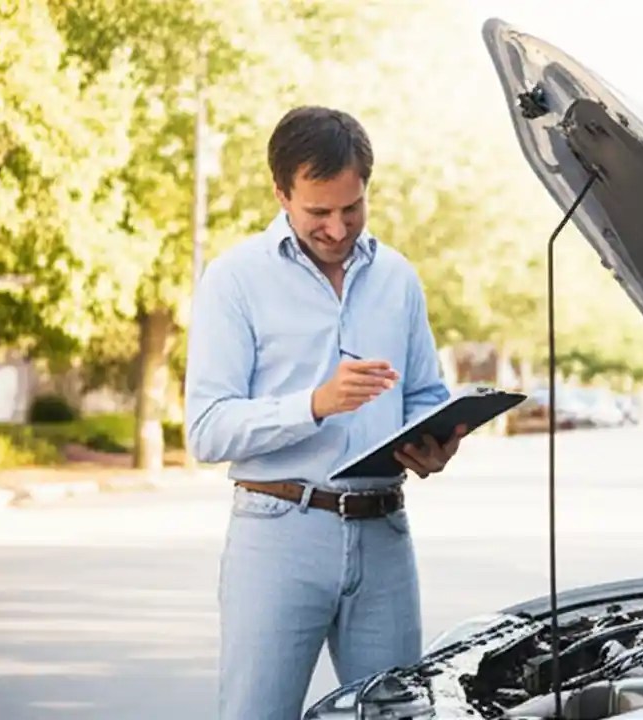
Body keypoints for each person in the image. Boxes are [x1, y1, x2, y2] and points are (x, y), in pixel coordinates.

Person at [184, 105, 465, 719]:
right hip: (280, 531)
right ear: (282, 193)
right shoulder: (235, 280)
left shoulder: (397, 277)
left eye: (352, 208)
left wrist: (436, 440)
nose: (338, 229)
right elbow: (206, 428)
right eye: (319, 212)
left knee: (396, 714)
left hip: (384, 531)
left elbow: (423, 394)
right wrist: (313, 405)